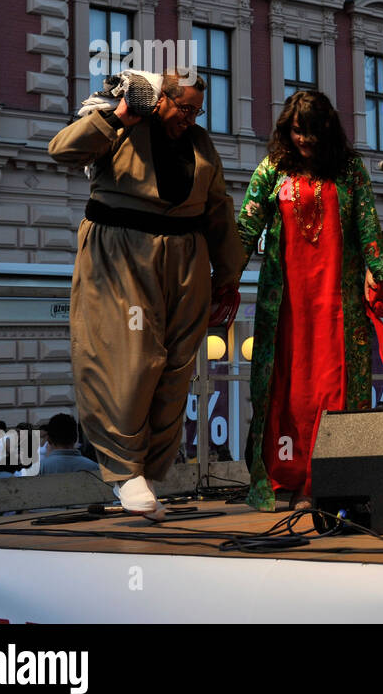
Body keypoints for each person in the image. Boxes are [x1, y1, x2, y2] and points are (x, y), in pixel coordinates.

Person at [49, 69, 243, 520]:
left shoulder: (200, 142)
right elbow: (62, 150)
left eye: (197, 111)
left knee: (175, 369)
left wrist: (228, 274)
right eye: (184, 108)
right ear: (160, 100)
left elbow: (218, 207)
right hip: (123, 253)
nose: (190, 119)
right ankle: (123, 468)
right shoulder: (121, 126)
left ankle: (150, 471)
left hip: (185, 260)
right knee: (130, 361)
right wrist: (117, 117)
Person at [234, 90, 383, 512]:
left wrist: (379, 274)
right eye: (296, 130)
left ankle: (328, 478)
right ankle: (289, 475)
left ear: (328, 132)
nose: (303, 139)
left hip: (338, 303)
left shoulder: (350, 171)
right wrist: (224, 277)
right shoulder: (272, 168)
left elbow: (367, 224)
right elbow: (247, 226)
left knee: (332, 387)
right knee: (289, 389)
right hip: (286, 303)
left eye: (311, 131)